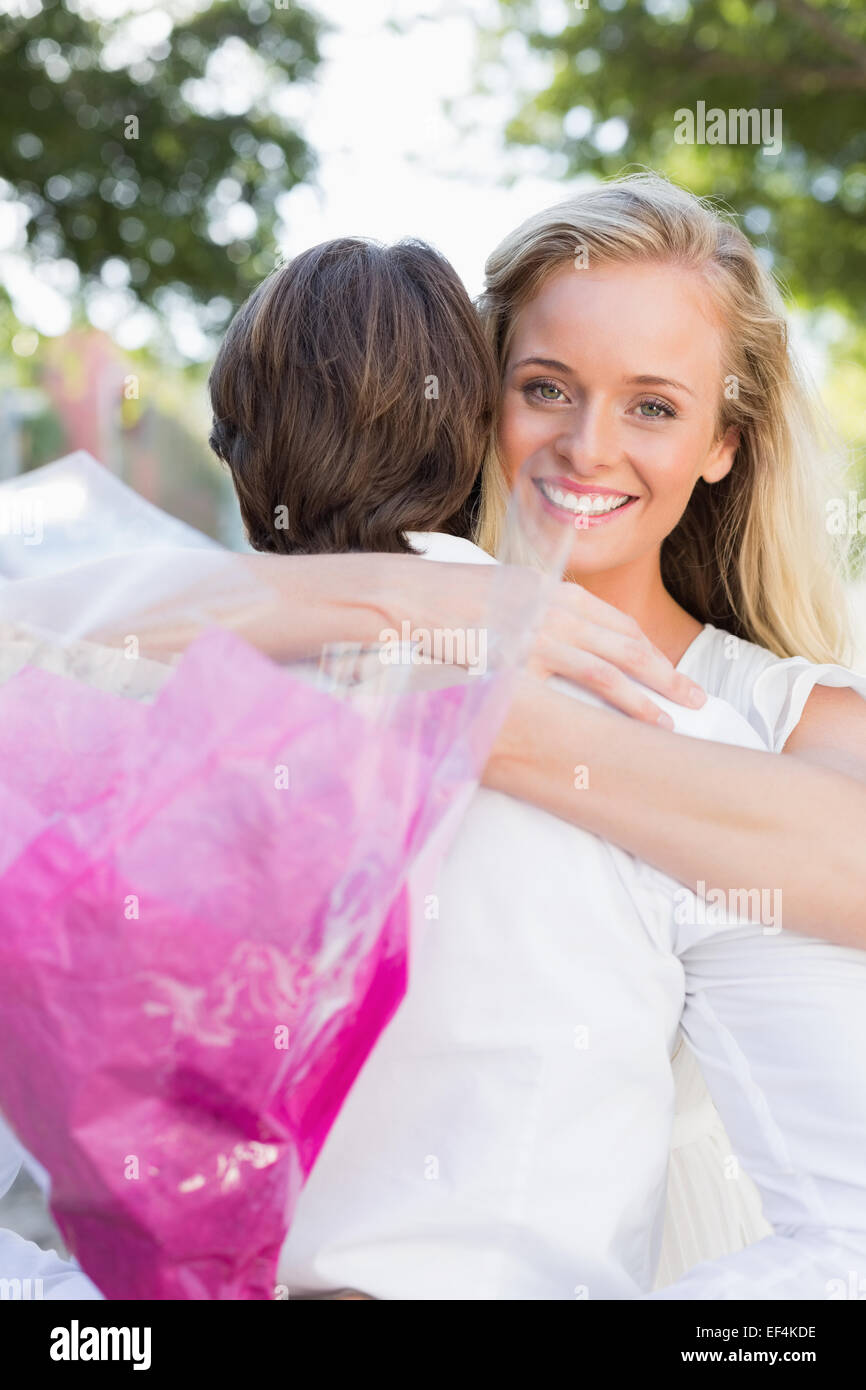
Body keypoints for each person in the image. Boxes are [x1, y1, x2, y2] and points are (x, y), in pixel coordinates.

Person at [205, 224, 866, 1298]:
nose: (588, 447)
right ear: (474, 398)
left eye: (651, 405)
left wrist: (482, 703)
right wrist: (382, 604)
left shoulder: (768, 712)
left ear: (720, 440)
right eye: (546, 388)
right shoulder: (340, 642)